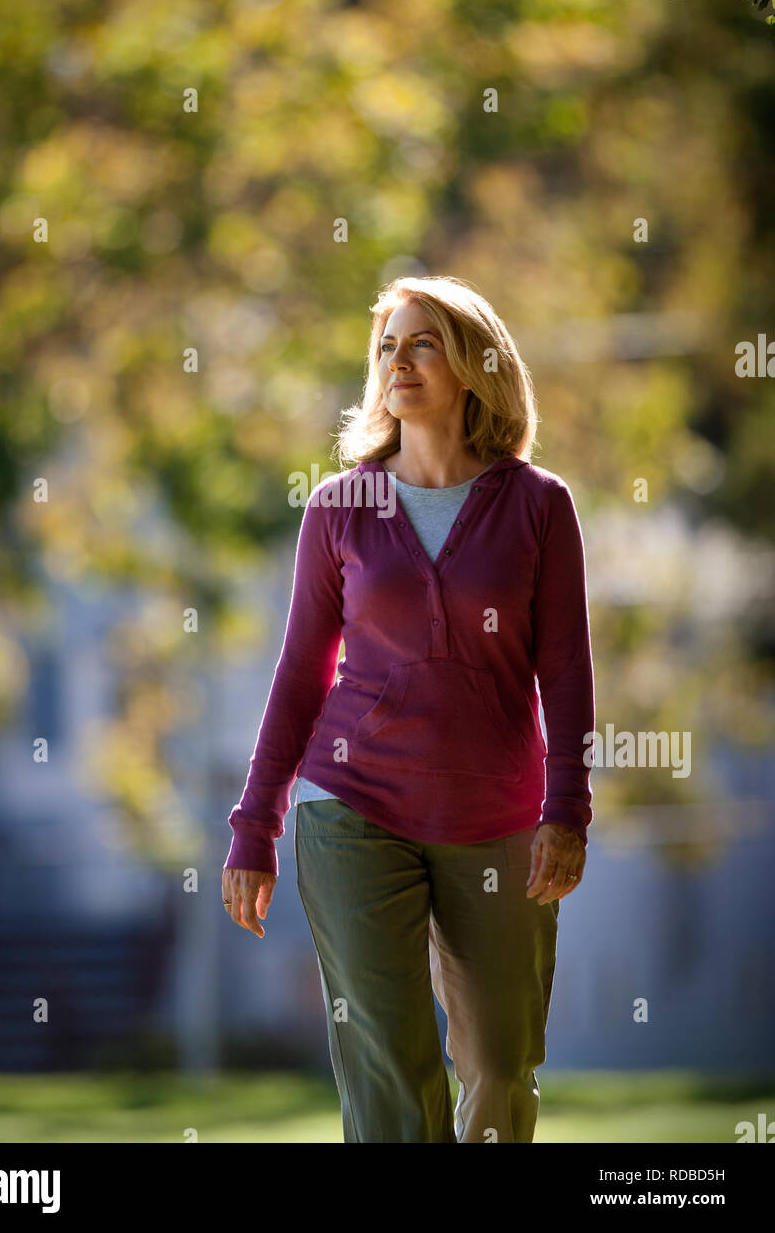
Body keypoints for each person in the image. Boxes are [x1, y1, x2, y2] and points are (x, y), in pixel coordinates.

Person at [221, 274, 595, 1143]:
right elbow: (300, 676)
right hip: (353, 808)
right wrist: (254, 825)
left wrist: (567, 810)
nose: (400, 361)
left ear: (474, 364)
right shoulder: (338, 506)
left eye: (422, 342)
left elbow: (566, 670)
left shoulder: (539, 506)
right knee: (392, 1067)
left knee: (501, 1070)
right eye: (388, 345)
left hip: (496, 813)